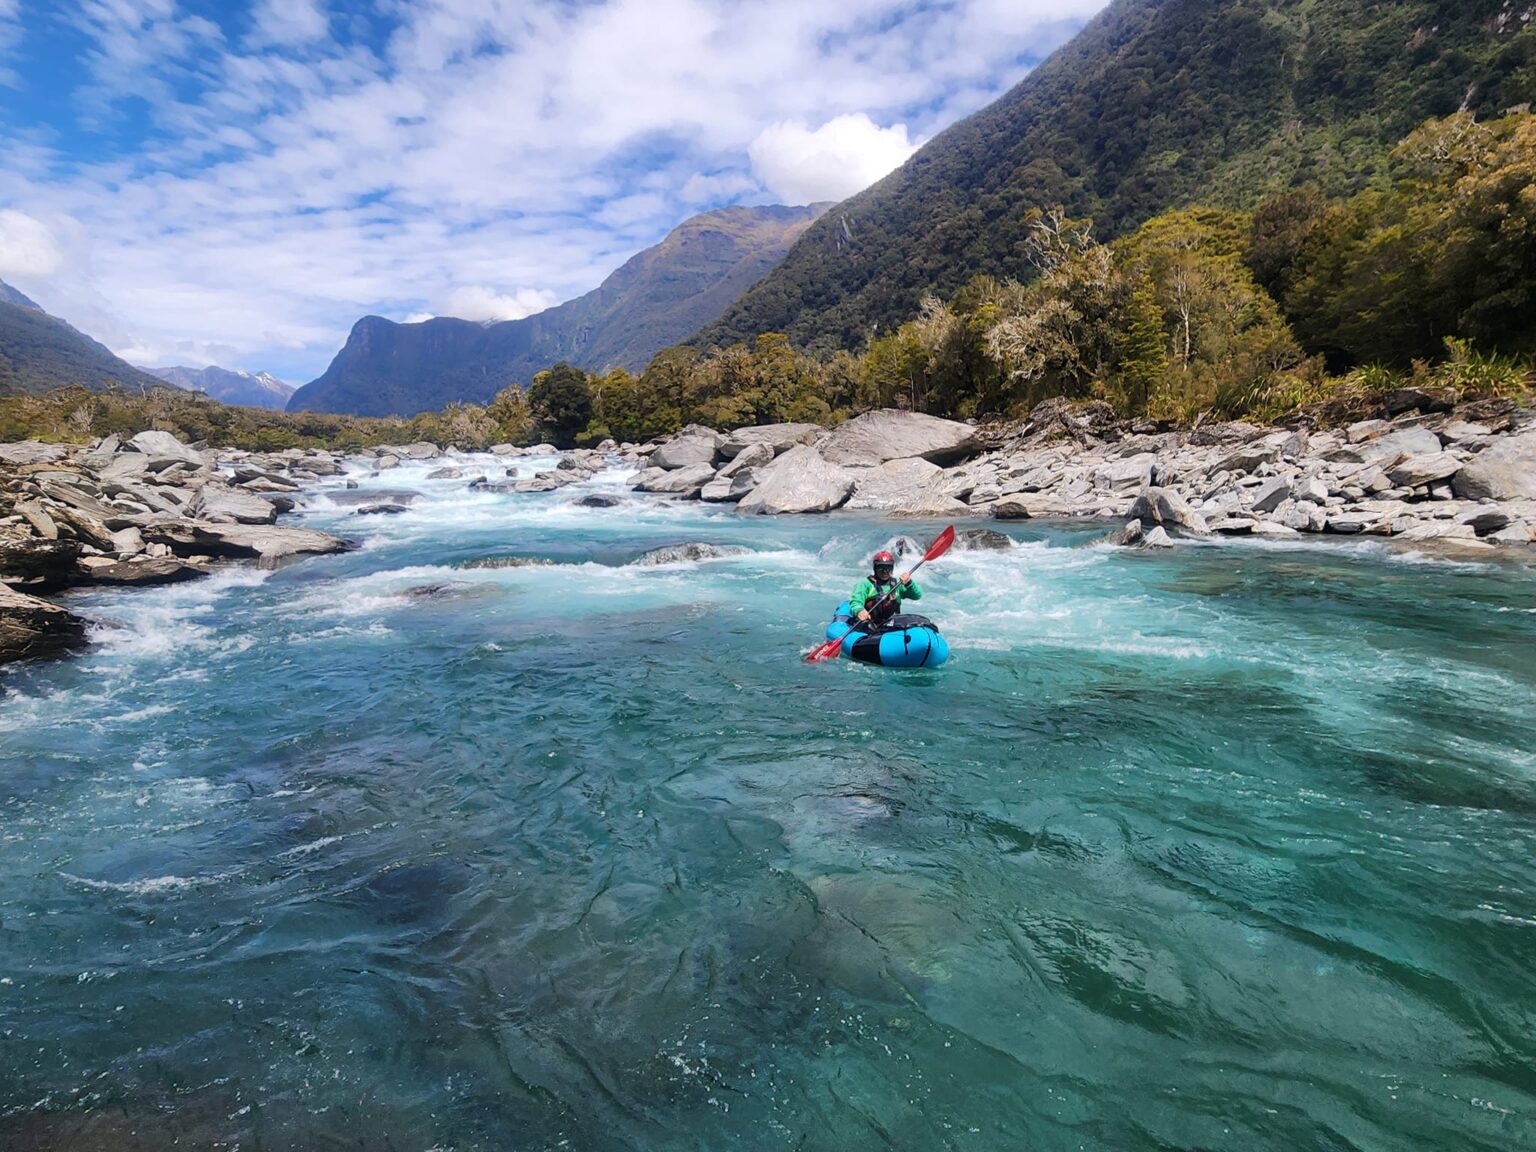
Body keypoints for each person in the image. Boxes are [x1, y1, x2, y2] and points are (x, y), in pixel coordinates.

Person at [850, 550, 922, 630]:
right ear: (875, 568)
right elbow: (856, 602)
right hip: (871, 626)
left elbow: (917, 595)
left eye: (888, 568)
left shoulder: (897, 584)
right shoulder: (865, 584)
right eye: (881, 568)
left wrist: (909, 583)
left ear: (892, 568)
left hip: (892, 626)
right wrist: (860, 611)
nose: (885, 572)